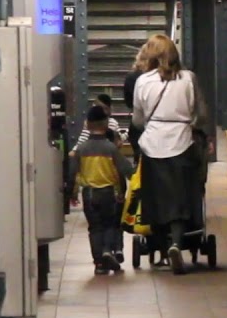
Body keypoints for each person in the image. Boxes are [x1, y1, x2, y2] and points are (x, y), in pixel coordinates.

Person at [131, 34, 212, 275]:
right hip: (182, 143)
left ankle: (163, 247)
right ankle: (178, 242)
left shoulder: (143, 81)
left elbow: (137, 119)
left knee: (155, 198)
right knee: (181, 197)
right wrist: (189, 123)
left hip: (153, 145)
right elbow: (202, 114)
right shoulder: (189, 79)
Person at [67, 105, 133, 275]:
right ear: (106, 124)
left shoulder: (81, 150)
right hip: (108, 192)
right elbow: (126, 169)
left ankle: (99, 264)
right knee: (110, 224)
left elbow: (72, 173)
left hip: (88, 193)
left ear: (87, 125)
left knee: (94, 227)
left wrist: (71, 193)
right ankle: (106, 250)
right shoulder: (111, 148)